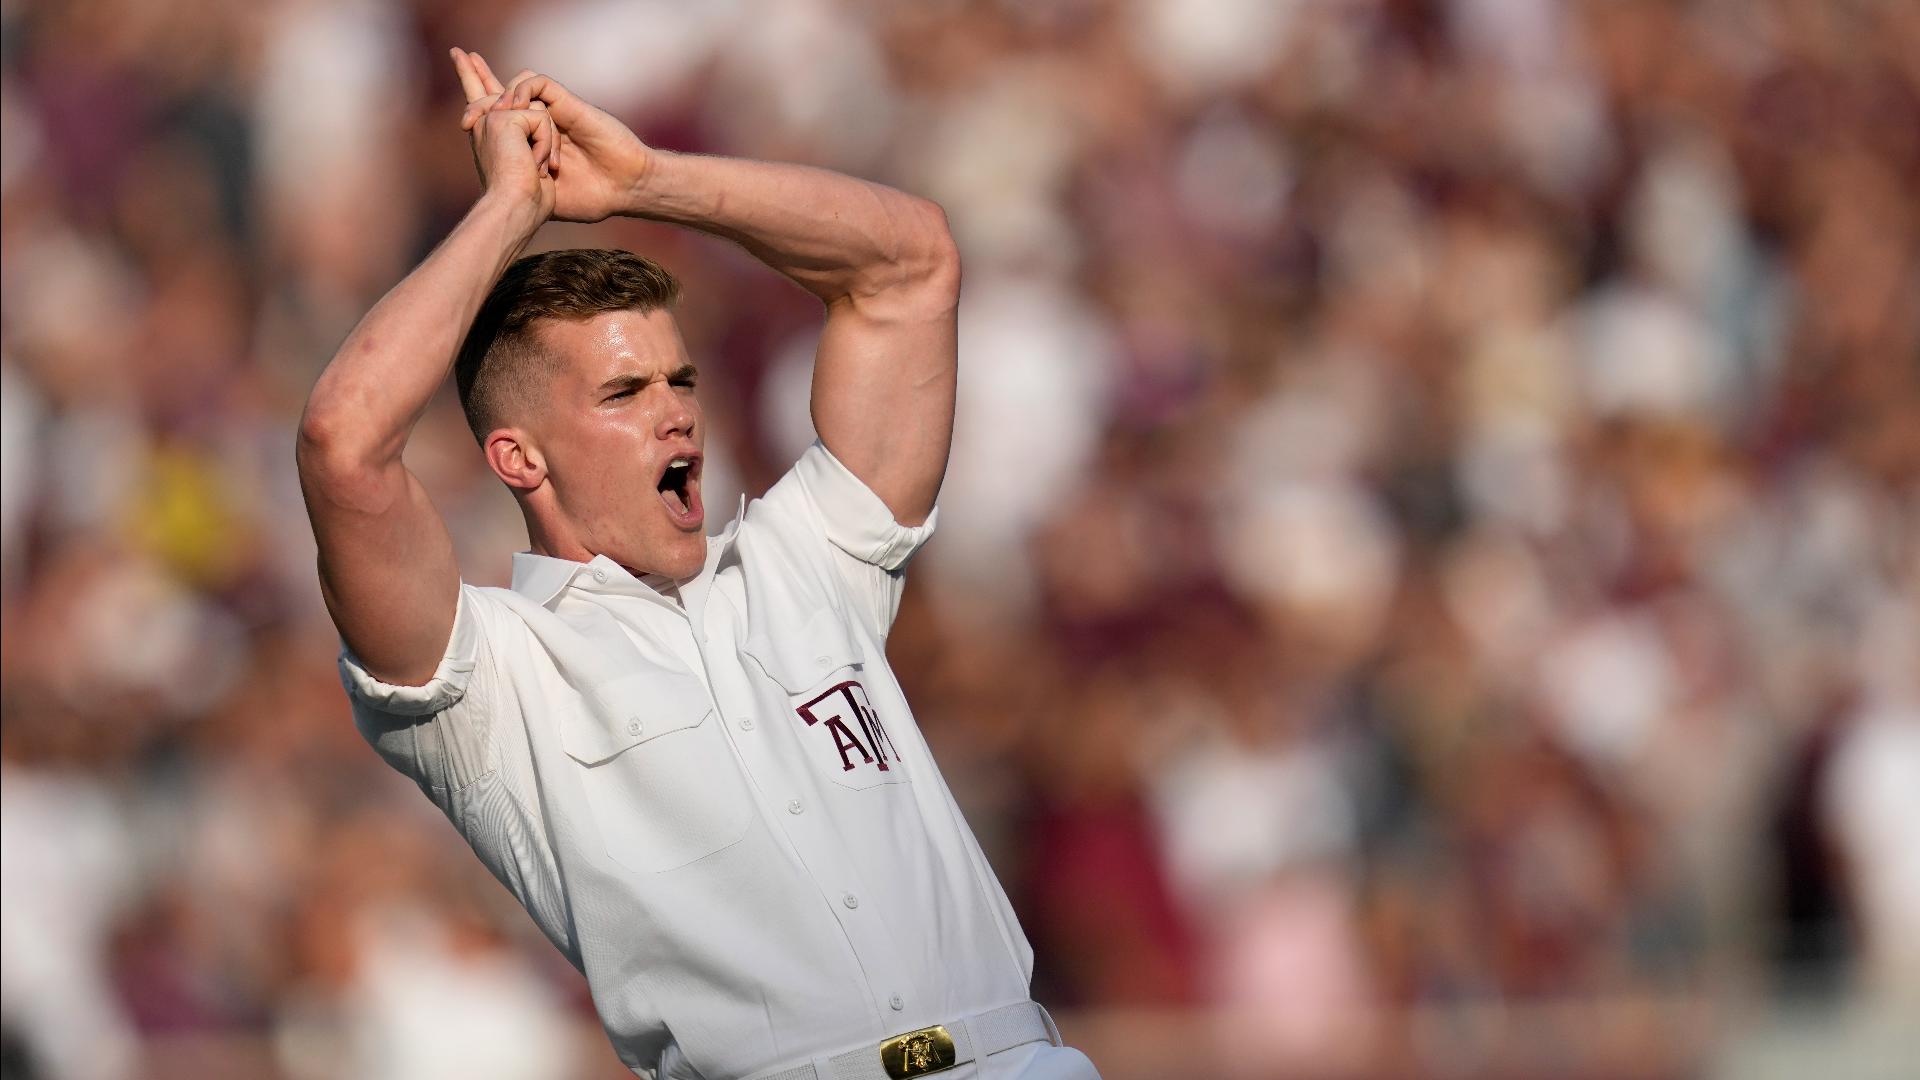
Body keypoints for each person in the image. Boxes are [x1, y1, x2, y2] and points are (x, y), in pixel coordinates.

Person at [294, 46, 1100, 1080]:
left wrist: (644, 183)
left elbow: (910, 266)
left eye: (679, 377)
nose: (677, 406)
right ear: (517, 456)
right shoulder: (492, 681)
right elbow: (343, 443)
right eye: (624, 394)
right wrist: (509, 207)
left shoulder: (802, 558)